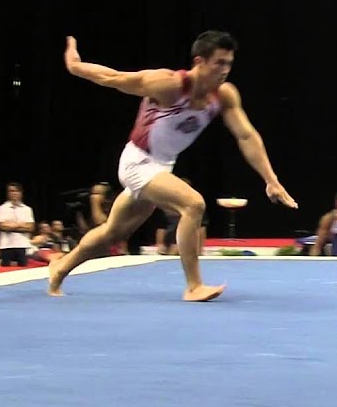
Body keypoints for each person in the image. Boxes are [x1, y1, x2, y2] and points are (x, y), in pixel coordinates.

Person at [47, 31, 298, 302]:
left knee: (112, 234)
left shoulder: (224, 96)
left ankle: (60, 267)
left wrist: (270, 179)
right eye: (219, 63)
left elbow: (246, 136)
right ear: (200, 61)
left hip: (161, 167)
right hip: (137, 161)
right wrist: (75, 65)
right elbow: (113, 77)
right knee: (193, 205)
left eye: (229, 64)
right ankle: (193, 286)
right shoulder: (168, 84)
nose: (225, 71)